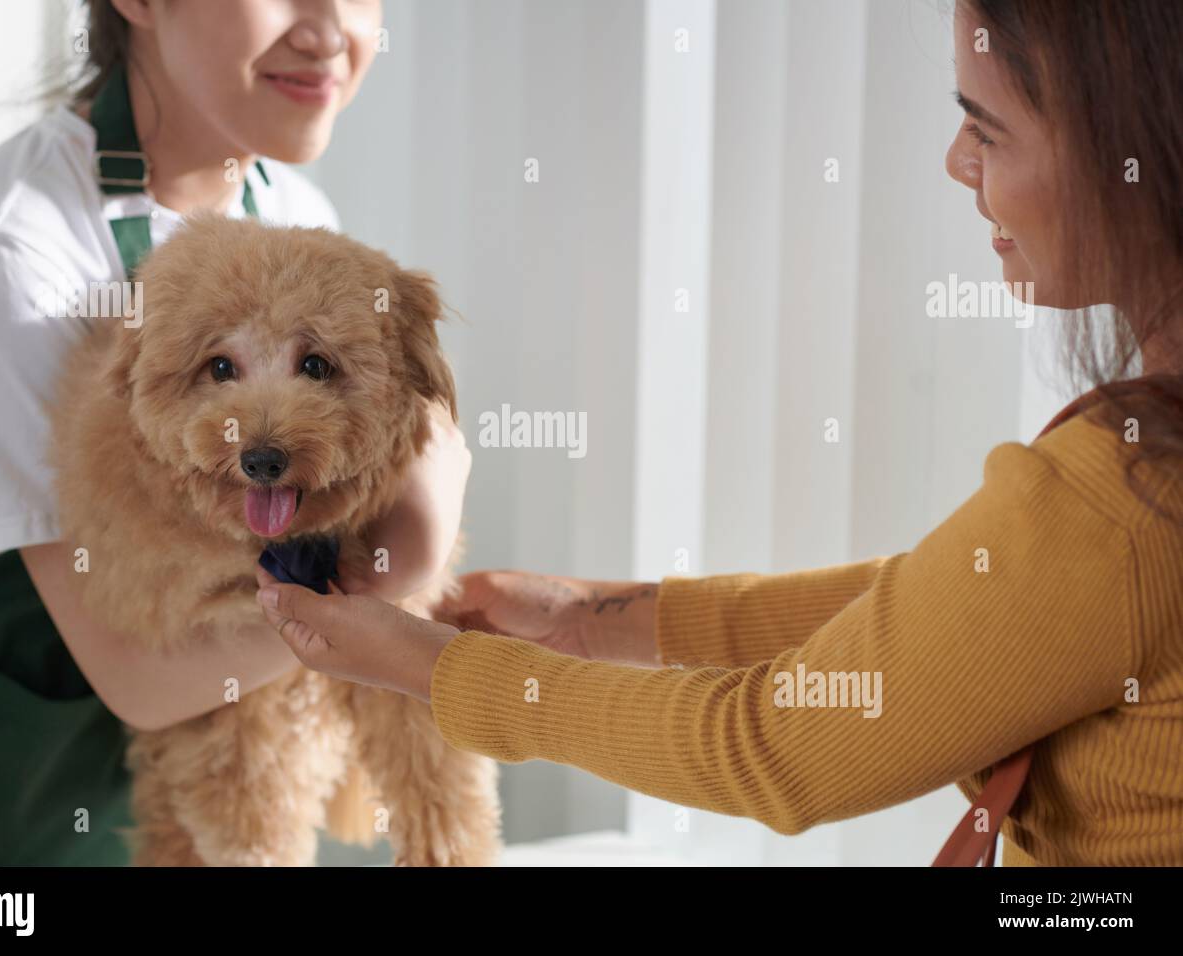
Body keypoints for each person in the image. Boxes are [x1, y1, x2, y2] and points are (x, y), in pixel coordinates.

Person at [253, 0, 1183, 866]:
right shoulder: (1123, 495)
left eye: (986, 128)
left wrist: (436, 669)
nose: (955, 160)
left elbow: (773, 747)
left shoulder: (1124, 497)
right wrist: (590, 618)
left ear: (1132, 147)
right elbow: (949, 615)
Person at [0, 0, 472, 865]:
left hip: (177, 815)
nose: (327, 32)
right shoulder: (8, 258)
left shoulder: (287, 205)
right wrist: (395, 572)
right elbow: (142, 681)